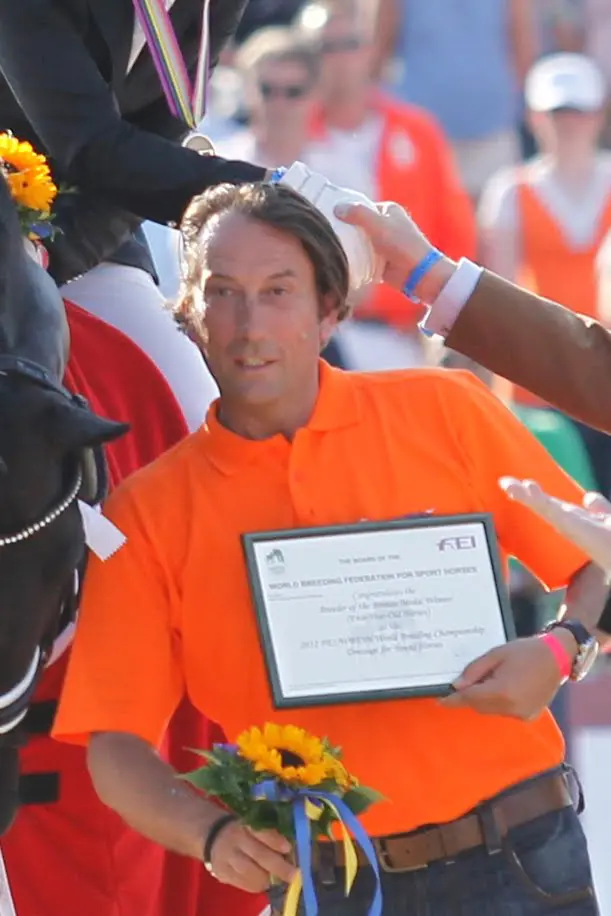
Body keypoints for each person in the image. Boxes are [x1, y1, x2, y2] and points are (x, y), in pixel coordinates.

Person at [51, 180, 610, 915]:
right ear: (189, 318)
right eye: (222, 293)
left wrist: (562, 649)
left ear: (330, 312)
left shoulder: (446, 412)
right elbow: (114, 746)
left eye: (278, 291)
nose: (249, 324)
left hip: (521, 858)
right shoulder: (147, 514)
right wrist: (210, 835)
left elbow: (595, 564)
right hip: (325, 886)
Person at [0, 0, 276, 431]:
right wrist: (270, 189)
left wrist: (51, 256)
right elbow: (90, 144)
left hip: (85, 227)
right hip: (17, 195)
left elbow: (150, 160)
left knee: (196, 415)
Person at [296, 0, 476, 371]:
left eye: (351, 44)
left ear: (372, 47)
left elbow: (455, 235)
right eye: (326, 47)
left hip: (402, 336)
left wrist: (440, 325)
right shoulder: (291, 134)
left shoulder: (418, 131)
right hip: (314, 337)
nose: (341, 59)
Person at [479, 52, 611, 496]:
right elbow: (503, 293)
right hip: (542, 383)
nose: (568, 123)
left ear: (598, 115)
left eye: (577, 111)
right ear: (535, 117)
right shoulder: (510, 192)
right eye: (557, 112)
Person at [373, 0, 536, 201]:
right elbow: (378, 49)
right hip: (420, 136)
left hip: (492, 129)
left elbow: (522, 43)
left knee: (493, 223)